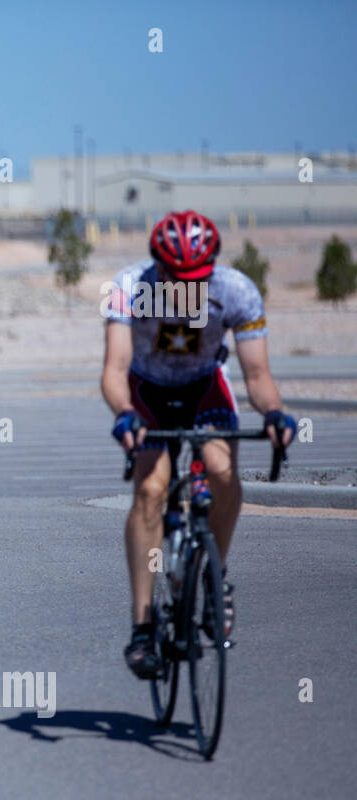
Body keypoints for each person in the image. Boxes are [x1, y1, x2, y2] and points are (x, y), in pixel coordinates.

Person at [102, 209, 296, 679]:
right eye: (178, 277)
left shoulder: (236, 291)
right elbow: (114, 368)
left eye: (198, 277)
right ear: (158, 267)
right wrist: (125, 414)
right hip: (147, 391)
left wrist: (274, 414)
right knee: (150, 490)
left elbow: (256, 375)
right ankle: (144, 624)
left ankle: (215, 575)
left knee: (223, 473)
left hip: (204, 387)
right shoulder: (128, 287)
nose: (188, 286)